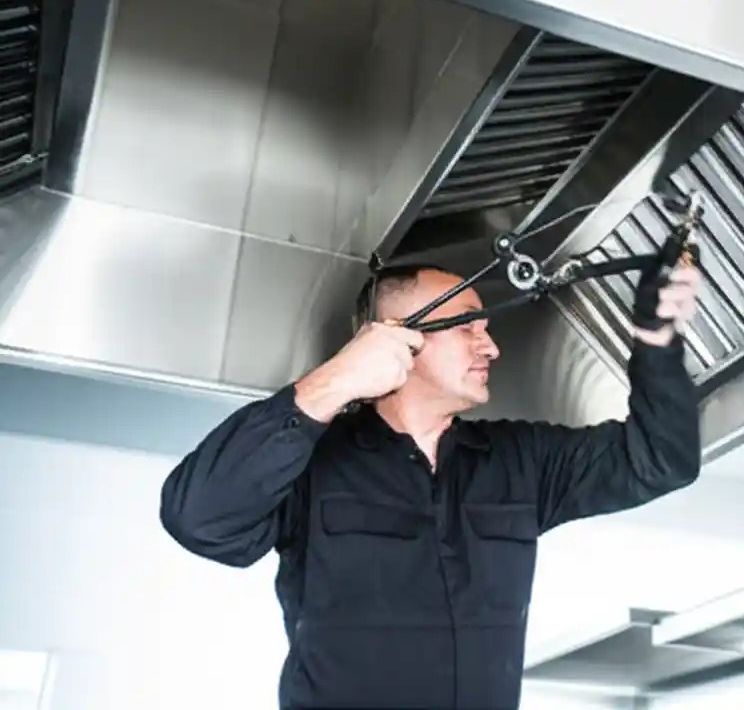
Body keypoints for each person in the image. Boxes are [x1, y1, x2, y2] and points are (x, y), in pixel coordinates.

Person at [159, 258, 704, 709]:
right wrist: (335, 380)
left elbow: (660, 460)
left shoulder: (522, 461)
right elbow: (199, 519)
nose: (490, 347)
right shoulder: (313, 463)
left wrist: (657, 340)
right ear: (399, 335)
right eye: (467, 326)